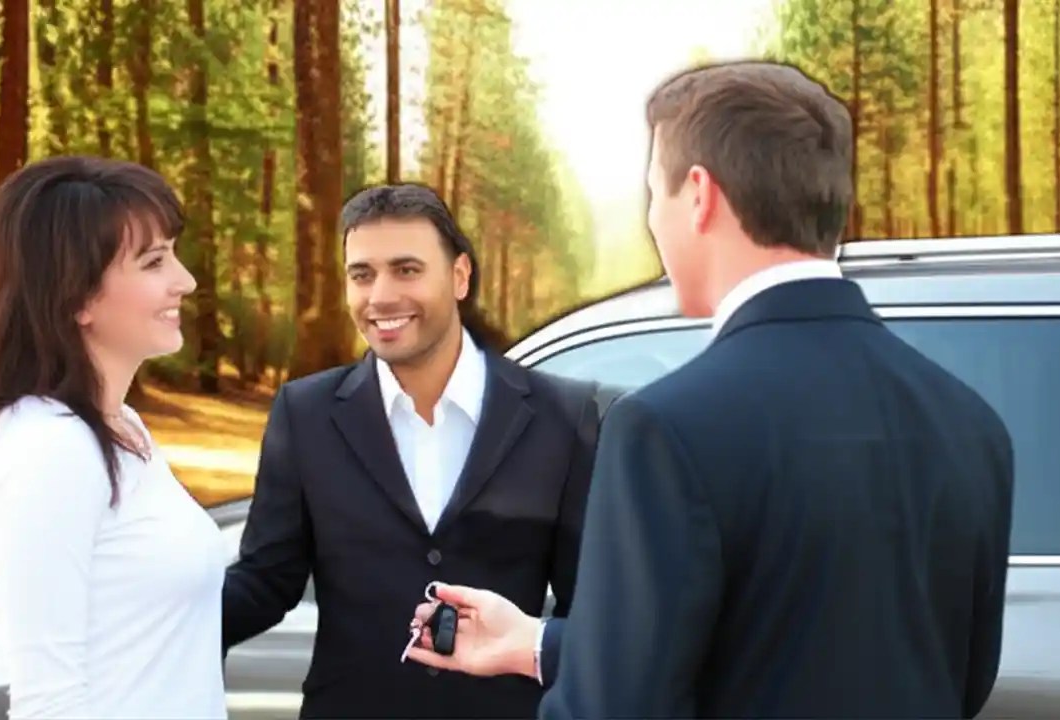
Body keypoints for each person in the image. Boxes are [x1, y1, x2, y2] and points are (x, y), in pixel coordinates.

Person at [404, 60, 1016, 719]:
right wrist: (543, 645)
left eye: (652, 194)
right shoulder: (972, 424)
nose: (650, 219)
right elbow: (937, 676)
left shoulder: (664, 430)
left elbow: (615, 710)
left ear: (699, 194)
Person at [221, 183, 604, 718]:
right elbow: (265, 581)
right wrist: (145, 628)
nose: (380, 297)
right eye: (362, 274)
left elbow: (589, 606)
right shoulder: (304, 414)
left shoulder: (562, 416)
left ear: (460, 276)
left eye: (406, 270)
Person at [0, 156, 228, 718]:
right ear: (76, 297)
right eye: (154, 262)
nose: (186, 282)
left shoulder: (122, 430)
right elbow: (47, 702)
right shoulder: (47, 448)